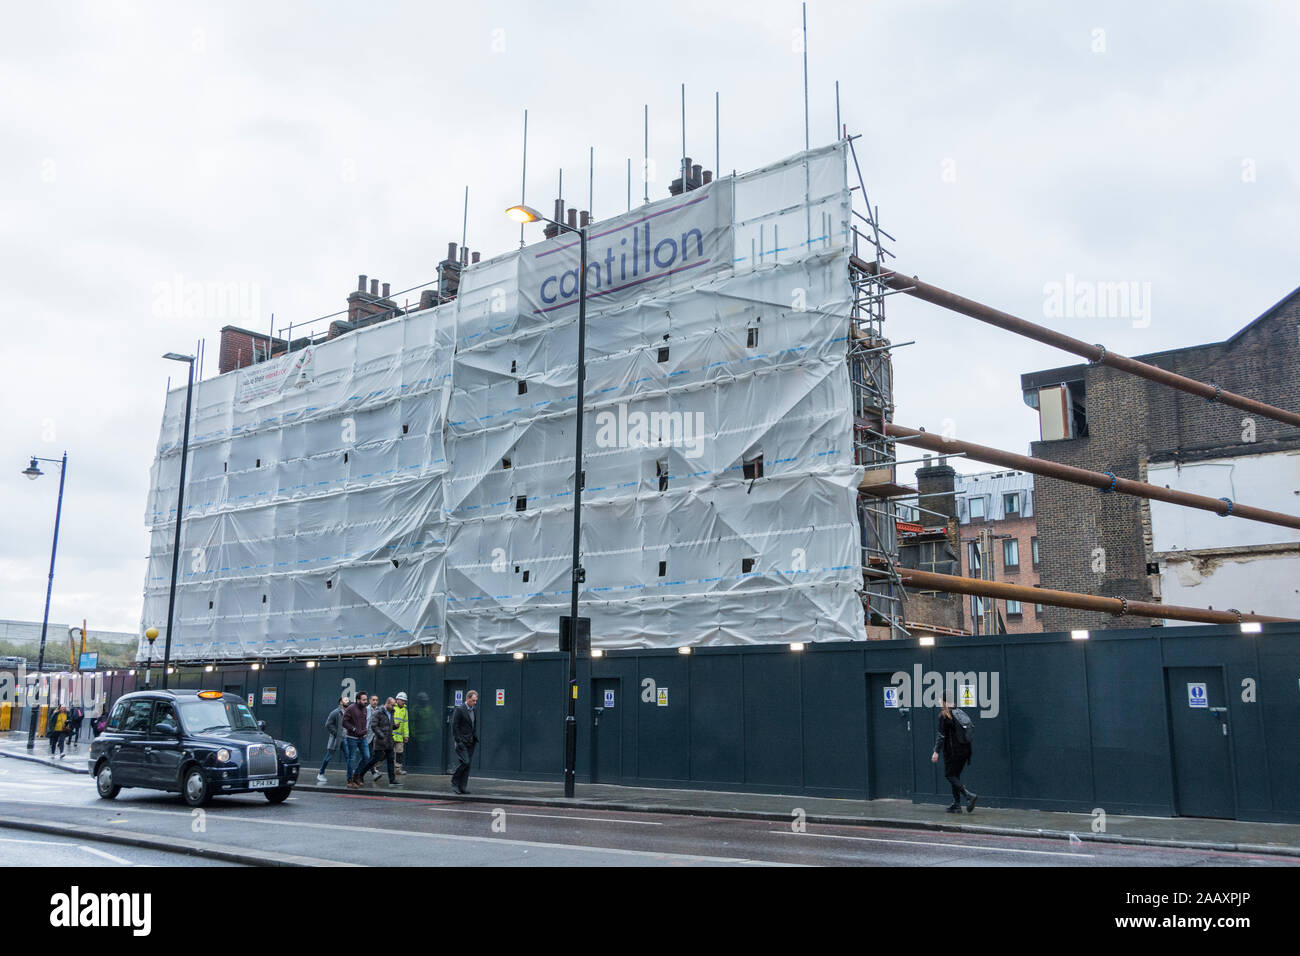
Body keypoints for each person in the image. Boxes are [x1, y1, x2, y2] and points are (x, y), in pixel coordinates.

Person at [931, 692, 978, 813]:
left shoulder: (944, 715)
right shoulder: (960, 712)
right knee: (955, 776)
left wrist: (936, 751)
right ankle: (956, 805)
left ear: (944, 701)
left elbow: (941, 735)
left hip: (953, 752)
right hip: (966, 751)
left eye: (941, 700)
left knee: (949, 775)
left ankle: (968, 796)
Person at [357, 697, 400, 787]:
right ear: (387, 703)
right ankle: (360, 775)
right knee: (374, 760)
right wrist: (381, 735)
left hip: (389, 741)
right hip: (380, 741)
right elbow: (374, 726)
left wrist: (395, 726)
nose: (394, 707)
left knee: (391, 760)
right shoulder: (378, 712)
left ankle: (392, 780)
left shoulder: (392, 712)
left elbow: (389, 726)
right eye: (392, 705)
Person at [449, 690, 479, 794]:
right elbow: (454, 726)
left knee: (467, 764)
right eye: (473, 700)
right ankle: (454, 782)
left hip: (471, 741)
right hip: (462, 742)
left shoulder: (474, 710)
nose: (475, 703)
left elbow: (473, 725)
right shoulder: (460, 710)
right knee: (465, 762)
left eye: (476, 701)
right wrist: (458, 741)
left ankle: (462, 787)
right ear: (467, 699)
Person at [317, 696, 349, 784]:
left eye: (348, 700)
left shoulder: (348, 712)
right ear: (340, 702)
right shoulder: (335, 712)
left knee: (348, 757)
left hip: (346, 738)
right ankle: (320, 773)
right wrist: (336, 733)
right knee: (328, 756)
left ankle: (349, 776)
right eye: (345, 700)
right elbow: (328, 724)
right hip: (336, 739)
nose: (347, 702)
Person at [343, 692, 371, 788]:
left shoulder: (365, 709)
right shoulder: (350, 708)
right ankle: (349, 780)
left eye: (366, 699)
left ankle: (356, 775)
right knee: (352, 759)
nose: (365, 702)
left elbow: (364, 722)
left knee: (367, 757)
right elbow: (344, 722)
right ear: (358, 700)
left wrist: (364, 730)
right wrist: (354, 729)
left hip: (363, 738)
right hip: (352, 738)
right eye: (363, 700)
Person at [392, 691, 410, 775]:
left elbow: (406, 724)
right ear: (397, 700)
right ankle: (376, 768)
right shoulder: (392, 708)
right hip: (390, 735)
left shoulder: (405, 711)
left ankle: (397, 770)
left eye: (404, 700)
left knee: (399, 753)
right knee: (384, 753)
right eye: (402, 700)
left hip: (399, 737)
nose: (404, 702)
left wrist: (406, 735)